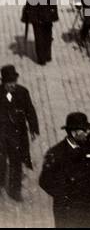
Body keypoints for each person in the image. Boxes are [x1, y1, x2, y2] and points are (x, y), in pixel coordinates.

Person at [39, 112, 90, 226]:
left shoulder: (88, 149)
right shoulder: (56, 153)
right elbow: (44, 181)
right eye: (84, 130)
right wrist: (64, 195)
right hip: (65, 210)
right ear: (74, 132)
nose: (87, 133)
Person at [0, 65, 39, 201]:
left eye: (13, 82)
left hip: (17, 134)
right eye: (8, 83)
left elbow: (30, 110)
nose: (12, 86)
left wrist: (34, 128)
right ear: (3, 82)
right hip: (1, 134)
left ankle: (15, 190)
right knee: (1, 160)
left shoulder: (23, 92)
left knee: (16, 161)